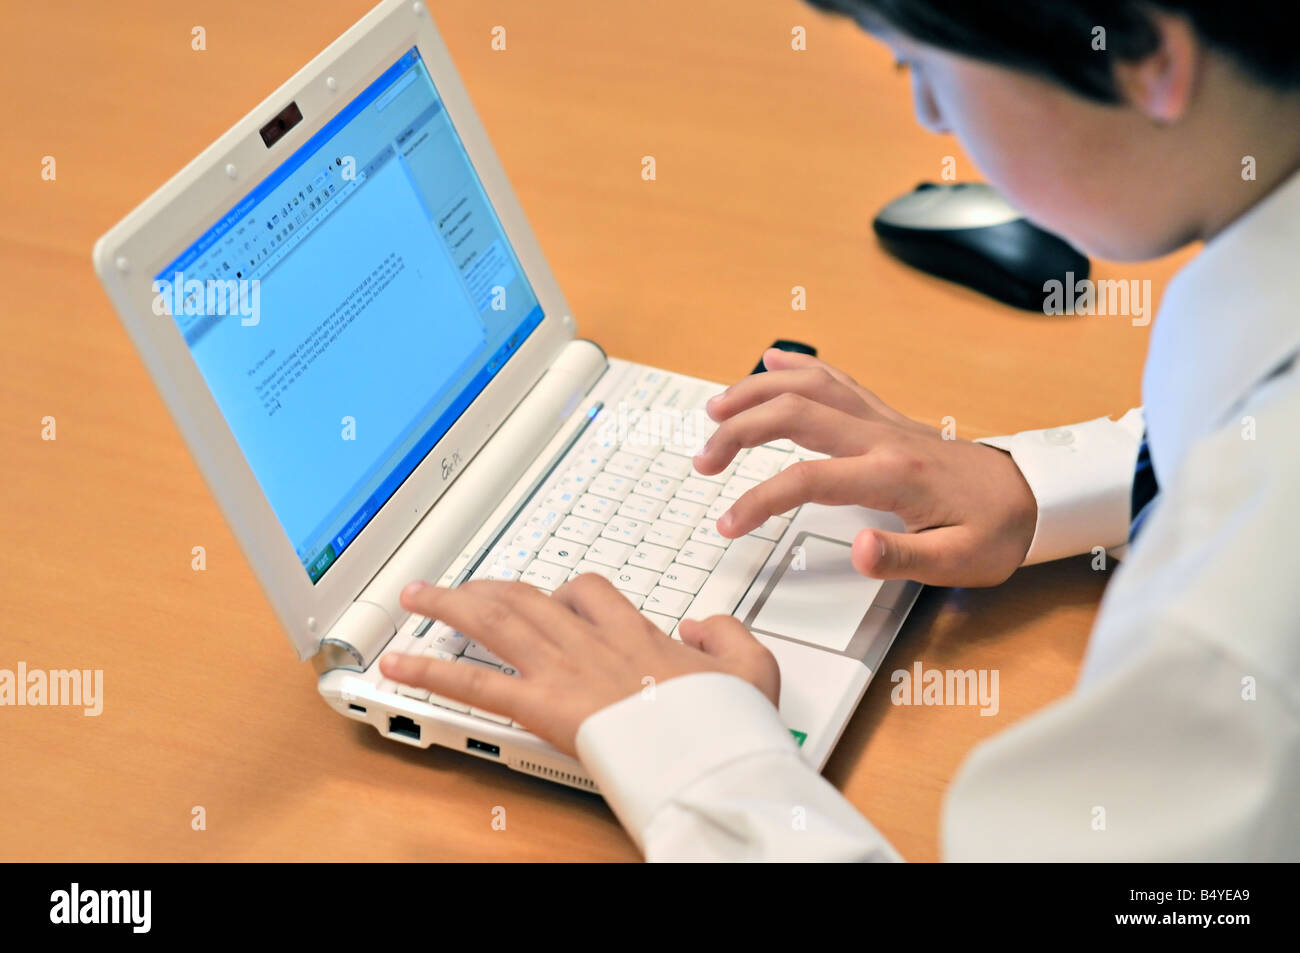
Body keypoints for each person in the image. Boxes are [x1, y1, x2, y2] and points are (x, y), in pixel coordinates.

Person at [380, 0, 1300, 860]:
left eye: (919, 63)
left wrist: (691, 752)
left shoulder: (1237, 623)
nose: (934, 117)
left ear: (1146, 56)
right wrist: (1044, 484)